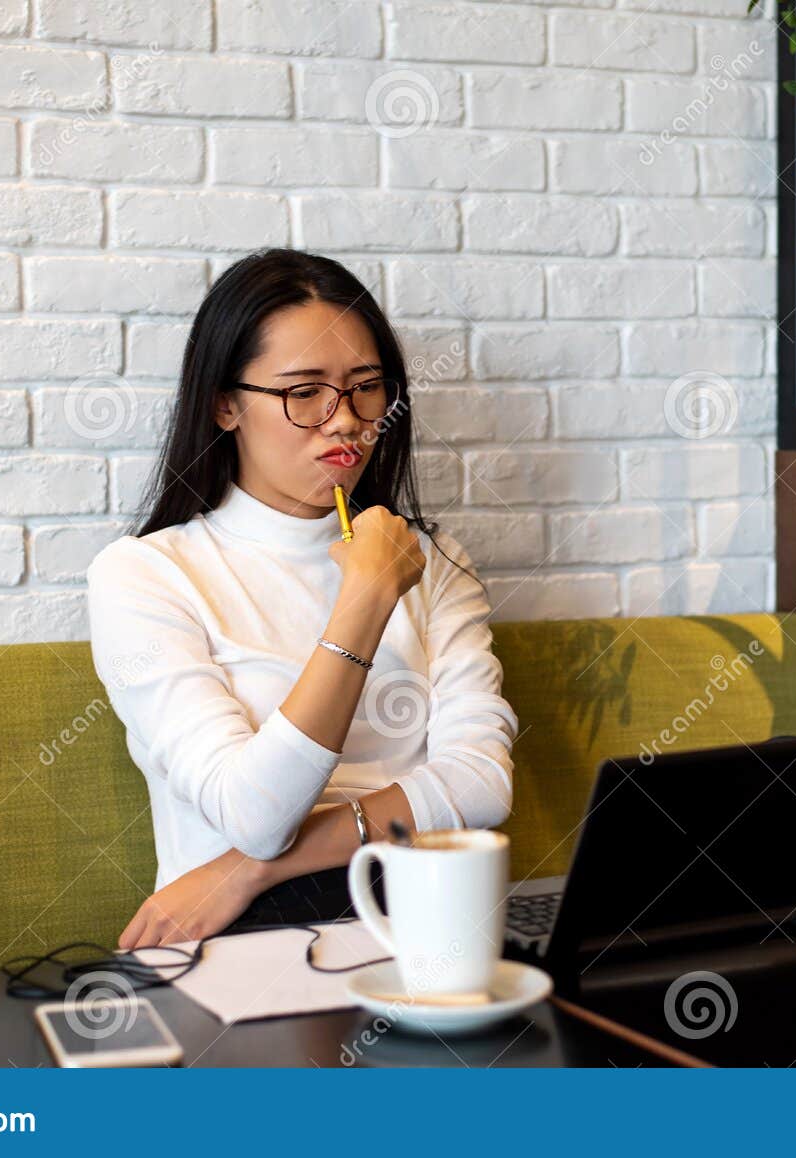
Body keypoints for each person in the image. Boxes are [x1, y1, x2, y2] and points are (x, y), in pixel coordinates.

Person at [85, 249, 517, 950]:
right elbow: (254, 814)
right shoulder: (146, 576)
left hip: (424, 928)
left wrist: (243, 873)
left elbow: (482, 784)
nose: (344, 420)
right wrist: (366, 599)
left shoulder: (433, 565)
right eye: (303, 391)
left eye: (366, 387)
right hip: (242, 947)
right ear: (225, 404)